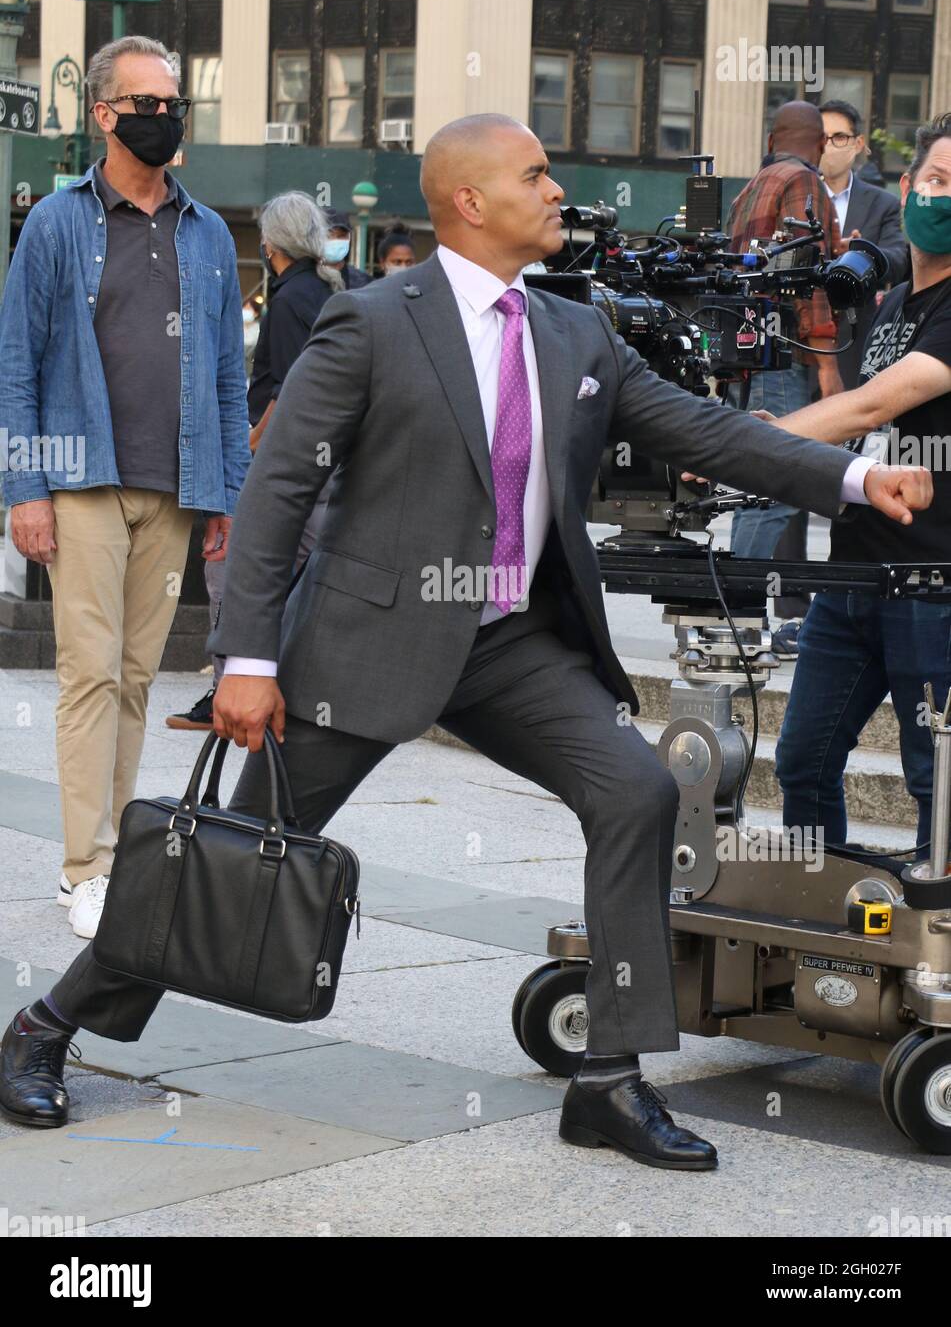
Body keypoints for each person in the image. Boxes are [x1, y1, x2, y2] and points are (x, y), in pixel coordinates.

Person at [1, 113, 930, 1169]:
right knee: (216, 852)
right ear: (471, 203)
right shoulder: (372, 321)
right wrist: (247, 659)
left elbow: (706, 430)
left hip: (509, 643)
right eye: (535, 175)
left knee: (635, 791)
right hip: (365, 643)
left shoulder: (576, 335)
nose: (557, 194)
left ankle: (610, 1081)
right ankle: (45, 1029)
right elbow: (278, 490)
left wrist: (855, 477)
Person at [0, 35, 248, 937]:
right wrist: (22, 489)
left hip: (177, 487)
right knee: (89, 677)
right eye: (147, 104)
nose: (165, 117)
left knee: (138, 678)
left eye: (174, 102)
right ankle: (88, 866)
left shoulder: (211, 232)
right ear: (103, 115)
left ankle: (107, 857)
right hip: (82, 478)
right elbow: (16, 365)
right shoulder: (57, 223)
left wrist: (225, 491)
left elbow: (227, 375)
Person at [758, 113, 951, 850]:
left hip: (933, 583)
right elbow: (852, 419)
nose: (940, 197)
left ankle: (932, 946)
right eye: (934, 180)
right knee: (802, 760)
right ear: (904, 189)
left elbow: (871, 405)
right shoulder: (892, 301)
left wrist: (742, 442)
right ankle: (821, 915)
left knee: (933, 777)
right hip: (851, 574)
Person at [167, 190, 349, 730]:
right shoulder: (326, 291)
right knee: (306, 570)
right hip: (322, 462)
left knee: (231, 566)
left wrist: (249, 441)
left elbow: (290, 386)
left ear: (270, 243)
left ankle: (226, 689)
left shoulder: (293, 299)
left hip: (280, 460)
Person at [769, 100, 912, 657]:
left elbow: (900, 254)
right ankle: (792, 604)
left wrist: (866, 258)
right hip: (791, 353)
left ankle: (848, 587)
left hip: (855, 351)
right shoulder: (789, 190)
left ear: (858, 145)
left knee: (851, 472)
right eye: (823, 137)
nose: (830, 146)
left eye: (841, 137)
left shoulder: (879, 202)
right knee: (787, 469)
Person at [725, 102, 844, 631]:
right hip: (784, 357)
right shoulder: (804, 181)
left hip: (747, 357)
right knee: (774, 490)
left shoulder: (752, 187)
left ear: (772, 138)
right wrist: (825, 362)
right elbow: (808, 277)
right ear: (819, 143)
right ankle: (739, 614)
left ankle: (734, 612)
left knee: (756, 489)